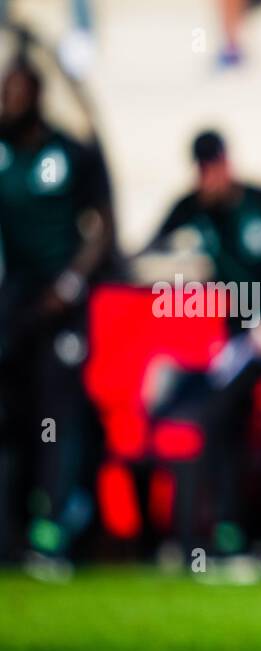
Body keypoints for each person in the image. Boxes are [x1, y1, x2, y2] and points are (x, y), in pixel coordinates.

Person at [145, 130, 261, 564]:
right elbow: (143, 253)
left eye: (213, 165)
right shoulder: (193, 209)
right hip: (244, 342)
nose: (208, 176)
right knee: (219, 415)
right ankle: (226, 532)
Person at [0, 57, 114, 570]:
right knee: (14, 414)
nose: (6, 101)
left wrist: (71, 282)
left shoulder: (70, 153)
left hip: (62, 304)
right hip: (14, 301)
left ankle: (54, 527)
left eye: (14, 91)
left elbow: (103, 223)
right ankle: (12, 527)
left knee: (58, 415)